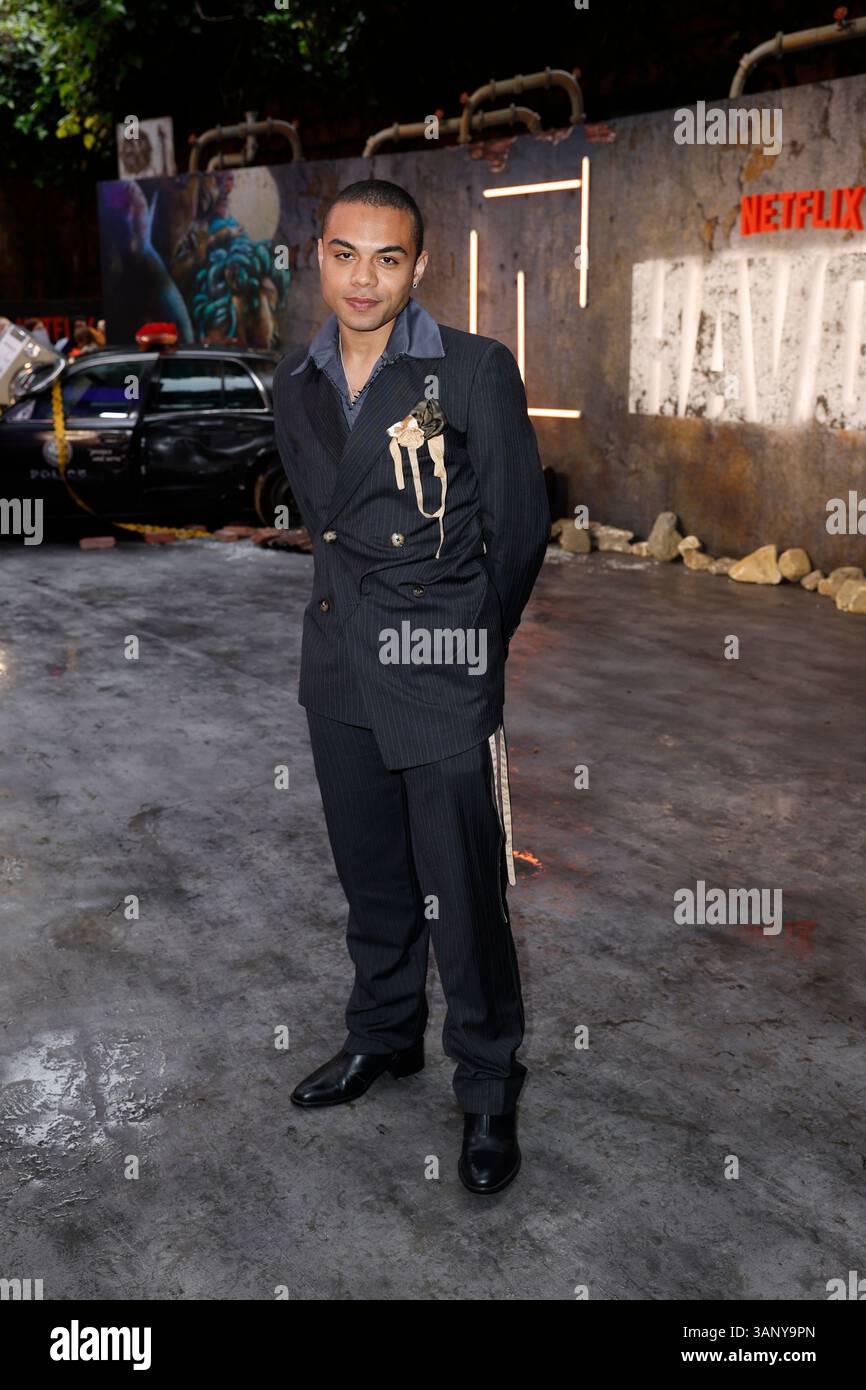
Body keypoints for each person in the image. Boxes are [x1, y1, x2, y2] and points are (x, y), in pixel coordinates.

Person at [272, 179, 550, 1195]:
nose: (362, 277)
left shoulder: (470, 369)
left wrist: (469, 647)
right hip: (338, 664)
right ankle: (383, 1037)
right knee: (373, 881)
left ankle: (485, 1086)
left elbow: (518, 532)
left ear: (418, 267)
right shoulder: (293, 382)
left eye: (386, 258)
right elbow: (324, 528)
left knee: (463, 895)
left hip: (438, 670)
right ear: (319, 257)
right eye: (344, 253)